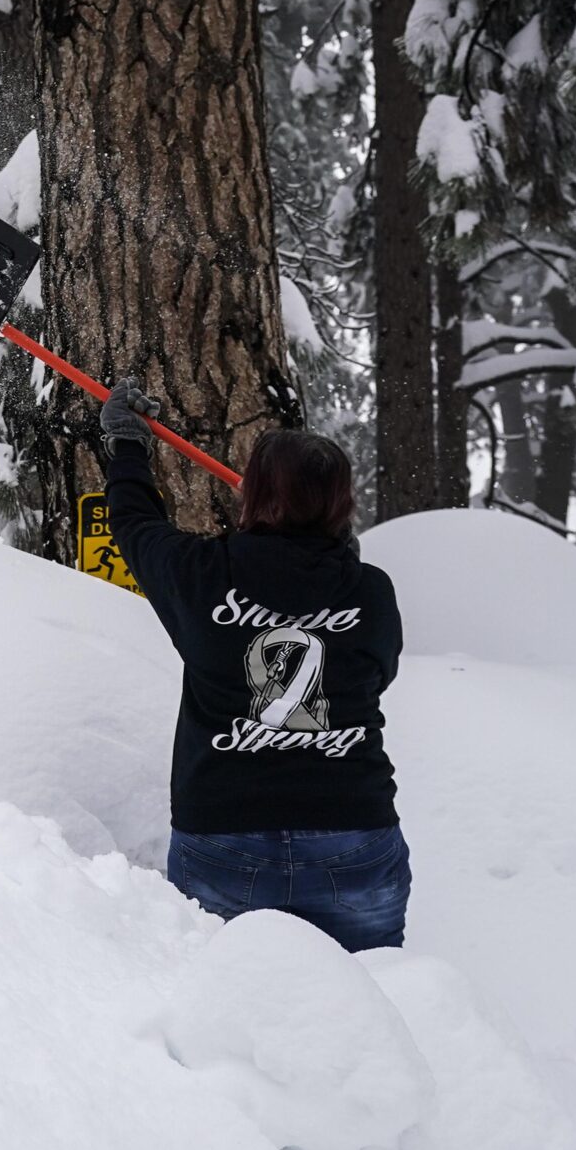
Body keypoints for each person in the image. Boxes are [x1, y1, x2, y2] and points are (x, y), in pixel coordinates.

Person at [101, 383, 409, 951]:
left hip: (223, 838)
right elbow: (378, 673)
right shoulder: (371, 591)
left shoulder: (200, 576)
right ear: (342, 505)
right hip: (352, 837)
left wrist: (127, 447)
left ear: (254, 495)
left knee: (229, 1017)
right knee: (372, 1007)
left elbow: (136, 526)